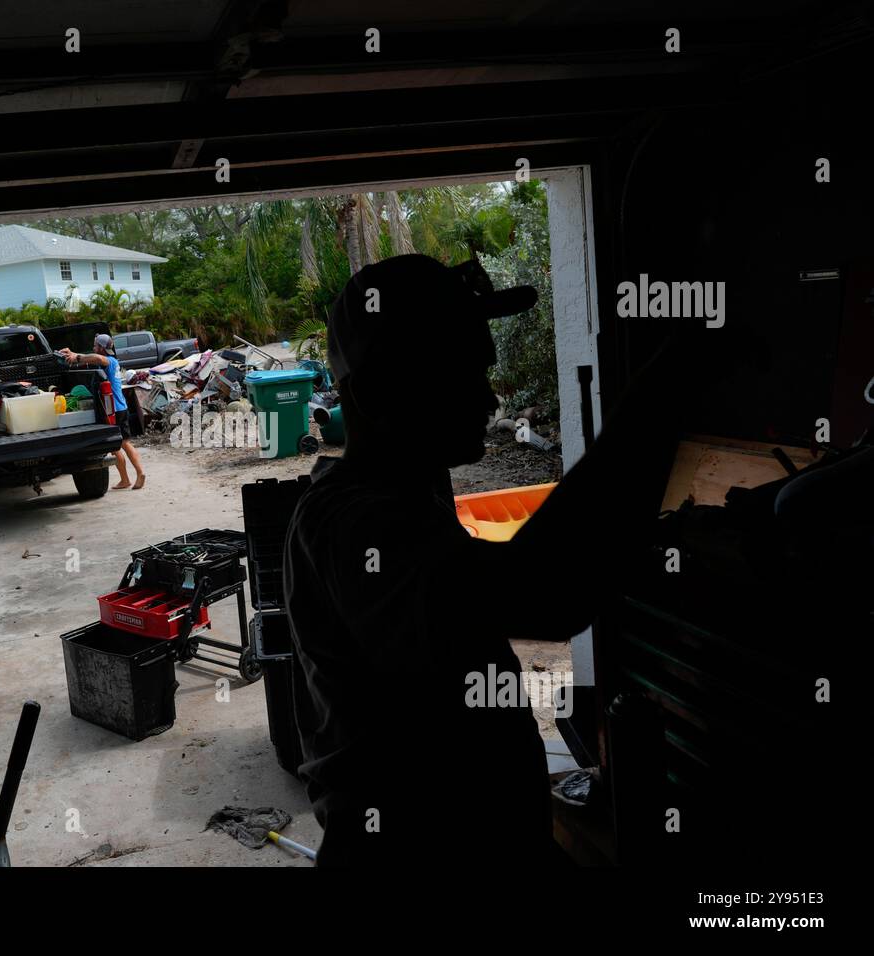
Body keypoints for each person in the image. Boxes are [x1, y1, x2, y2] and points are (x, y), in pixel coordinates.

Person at [282, 254, 694, 866]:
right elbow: (546, 593)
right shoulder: (350, 522)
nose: (487, 395)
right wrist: (665, 392)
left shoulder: (413, 489)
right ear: (375, 393)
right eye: (459, 372)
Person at [59, 334, 146, 489]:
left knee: (120, 445)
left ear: (101, 348)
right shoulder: (110, 362)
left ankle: (138, 473)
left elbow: (97, 359)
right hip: (120, 409)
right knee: (118, 446)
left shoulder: (109, 361)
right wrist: (72, 354)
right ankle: (126, 479)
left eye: (95, 345)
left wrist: (77, 357)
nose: (93, 348)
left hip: (114, 411)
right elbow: (93, 358)